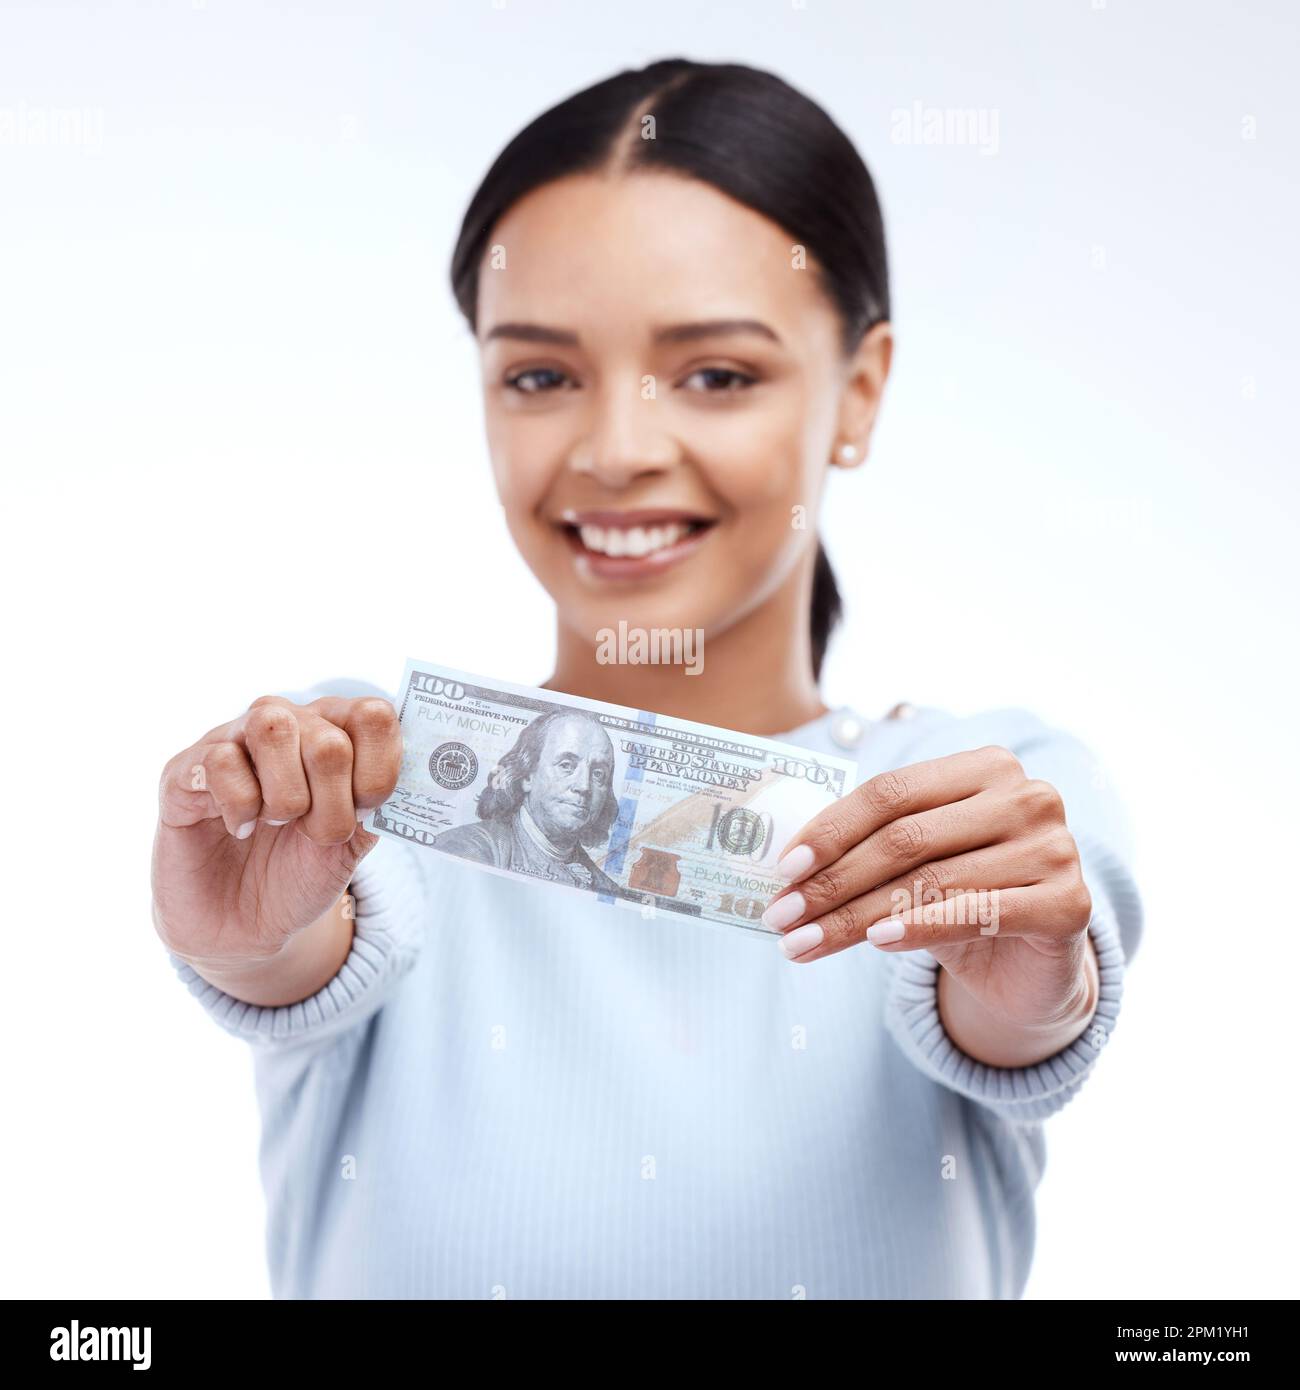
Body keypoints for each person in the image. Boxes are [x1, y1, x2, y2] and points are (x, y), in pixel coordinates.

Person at [152, 58, 1143, 1299]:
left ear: (862, 389)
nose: (617, 450)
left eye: (718, 374)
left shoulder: (986, 801)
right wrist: (241, 942)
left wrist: (1033, 980)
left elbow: (1015, 1018)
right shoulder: (366, 782)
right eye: (540, 375)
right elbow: (296, 945)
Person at [429, 708, 622, 893]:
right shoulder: (467, 848)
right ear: (528, 775)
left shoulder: (607, 890)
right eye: (566, 765)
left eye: (598, 774)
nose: (584, 786)